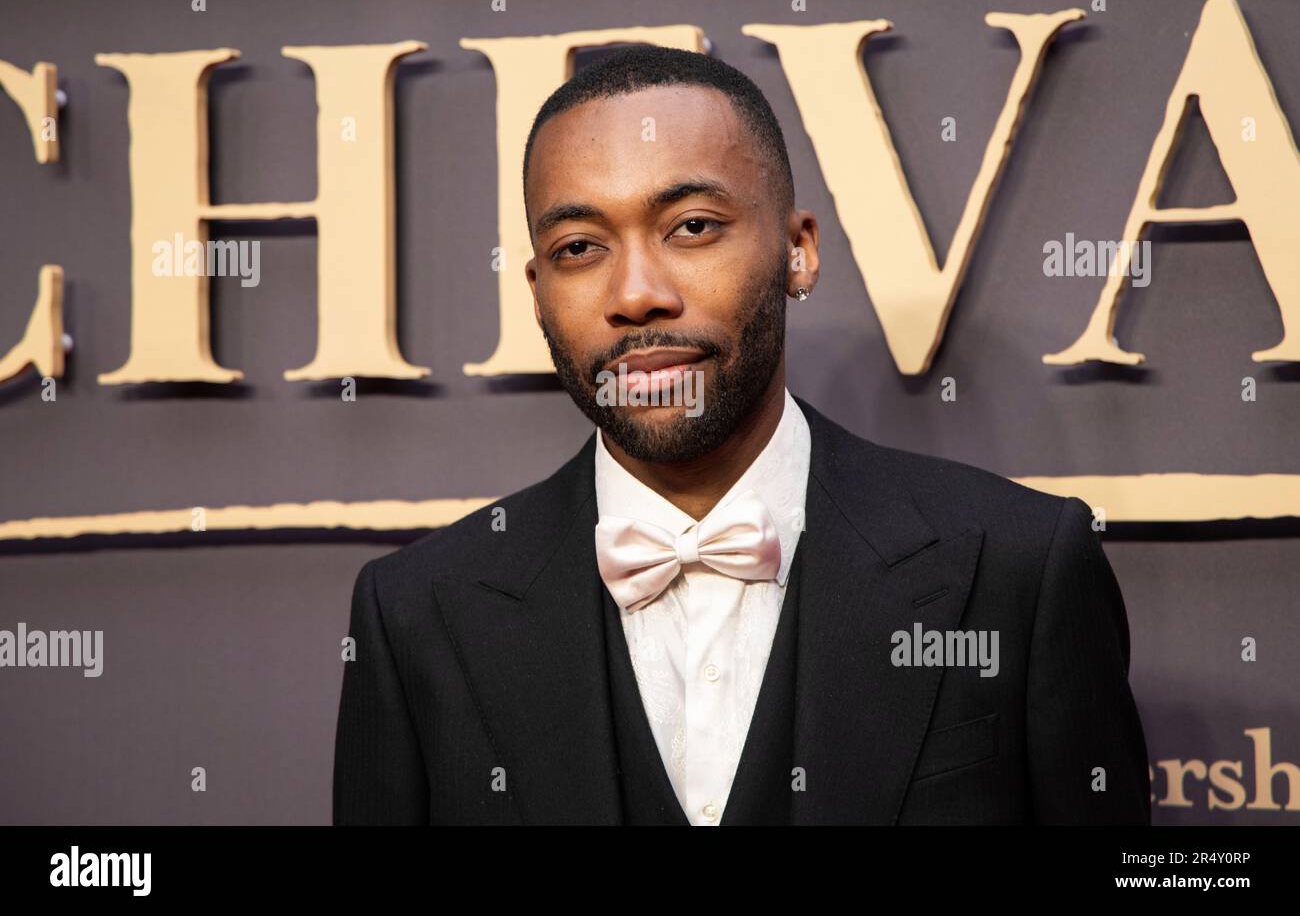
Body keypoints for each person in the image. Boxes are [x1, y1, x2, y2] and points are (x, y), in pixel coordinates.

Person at [333, 45, 1150, 825]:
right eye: (580, 247)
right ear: (538, 292)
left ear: (798, 252)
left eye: (690, 227)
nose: (637, 294)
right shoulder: (413, 616)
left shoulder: (1020, 569)